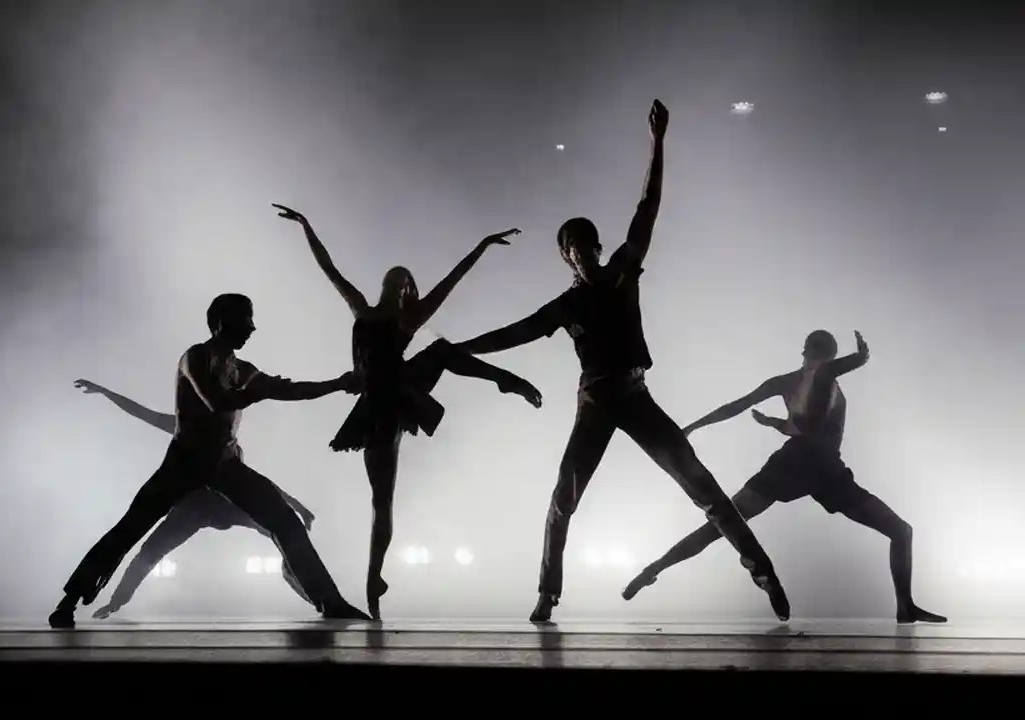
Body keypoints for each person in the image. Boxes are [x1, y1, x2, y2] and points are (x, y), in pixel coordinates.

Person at [453, 99, 789, 623]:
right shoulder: (567, 305)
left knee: (701, 484)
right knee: (562, 499)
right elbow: (514, 333)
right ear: (566, 257)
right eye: (573, 248)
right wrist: (460, 350)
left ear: (597, 247)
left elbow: (647, 207)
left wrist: (658, 142)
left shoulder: (624, 271)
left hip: (634, 396)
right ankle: (547, 593)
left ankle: (762, 569)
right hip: (596, 402)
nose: (582, 253)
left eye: (587, 245)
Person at [275, 204, 542, 619]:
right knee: (382, 500)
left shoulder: (409, 317)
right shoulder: (361, 308)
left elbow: (453, 281)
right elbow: (330, 271)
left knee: (442, 351)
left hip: (402, 389)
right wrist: (306, 226)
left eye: (405, 284)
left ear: (408, 292)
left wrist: (482, 247)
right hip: (375, 406)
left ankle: (507, 380)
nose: (399, 286)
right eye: (394, 280)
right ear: (384, 283)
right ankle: (374, 575)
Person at [48, 294, 369, 628]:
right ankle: (69, 601)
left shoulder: (242, 370)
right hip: (183, 462)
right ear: (221, 322)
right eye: (246, 320)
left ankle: (330, 602)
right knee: (129, 530)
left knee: (284, 521)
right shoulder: (195, 358)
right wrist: (258, 392)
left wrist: (338, 383)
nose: (252, 328)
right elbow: (216, 401)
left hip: (224, 465)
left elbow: (288, 389)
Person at [622, 330, 946, 624]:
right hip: (807, 465)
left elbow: (774, 414)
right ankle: (654, 569)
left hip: (819, 468)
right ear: (813, 355)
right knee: (900, 531)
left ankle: (906, 607)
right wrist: (859, 358)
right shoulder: (818, 375)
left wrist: (709, 425)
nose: (819, 363)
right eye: (820, 357)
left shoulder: (809, 380)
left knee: (721, 523)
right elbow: (748, 405)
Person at [70, 379, 315, 619]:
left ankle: (313, 592)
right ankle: (116, 602)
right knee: (150, 552)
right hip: (193, 507)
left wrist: (296, 506)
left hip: (225, 503)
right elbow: (143, 413)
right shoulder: (188, 426)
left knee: (282, 529)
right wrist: (106, 392)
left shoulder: (230, 440)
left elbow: (260, 485)